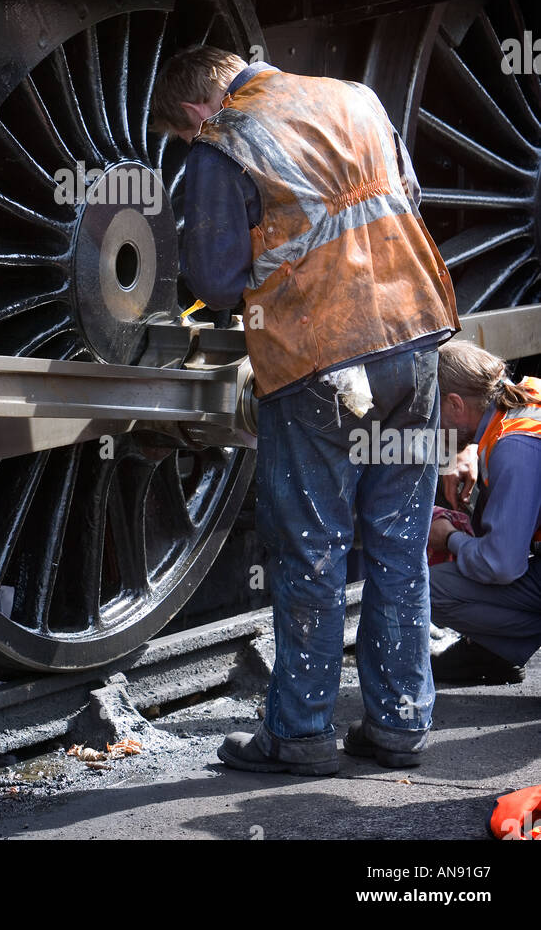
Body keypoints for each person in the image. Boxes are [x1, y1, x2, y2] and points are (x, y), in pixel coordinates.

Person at [149, 45, 459, 773]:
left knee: (311, 553)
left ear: (197, 110)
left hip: (318, 363)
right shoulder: (358, 94)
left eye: (182, 135)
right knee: (398, 544)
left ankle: (302, 734)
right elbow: (407, 198)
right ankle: (401, 724)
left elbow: (219, 283)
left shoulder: (224, 140)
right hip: (414, 339)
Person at [428, 338, 541, 684]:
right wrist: (469, 451)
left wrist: (451, 539)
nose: (433, 425)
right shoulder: (528, 395)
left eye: (435, 413)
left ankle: (497, 650)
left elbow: (501, 565)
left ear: (456, 403)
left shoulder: (513, 448)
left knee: (429, 587)